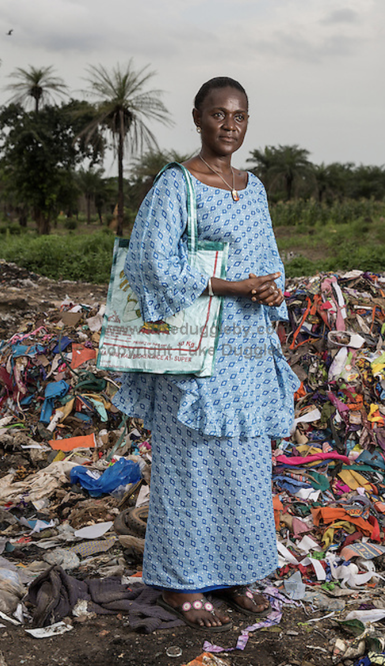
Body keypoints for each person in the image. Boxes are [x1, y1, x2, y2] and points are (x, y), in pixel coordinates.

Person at [112, 77, 298, 630]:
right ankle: (182, 585)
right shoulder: (177, 185)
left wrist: (269, 288)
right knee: (190, 463)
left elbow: (269, 258)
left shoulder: (254, 187)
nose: (229, 125)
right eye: (218, 114)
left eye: (239, 116)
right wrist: (228, 287)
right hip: (193, 349)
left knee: (243, 462)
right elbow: (148, 263)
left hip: (245, 347)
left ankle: (238, 573)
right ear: (197, 117)